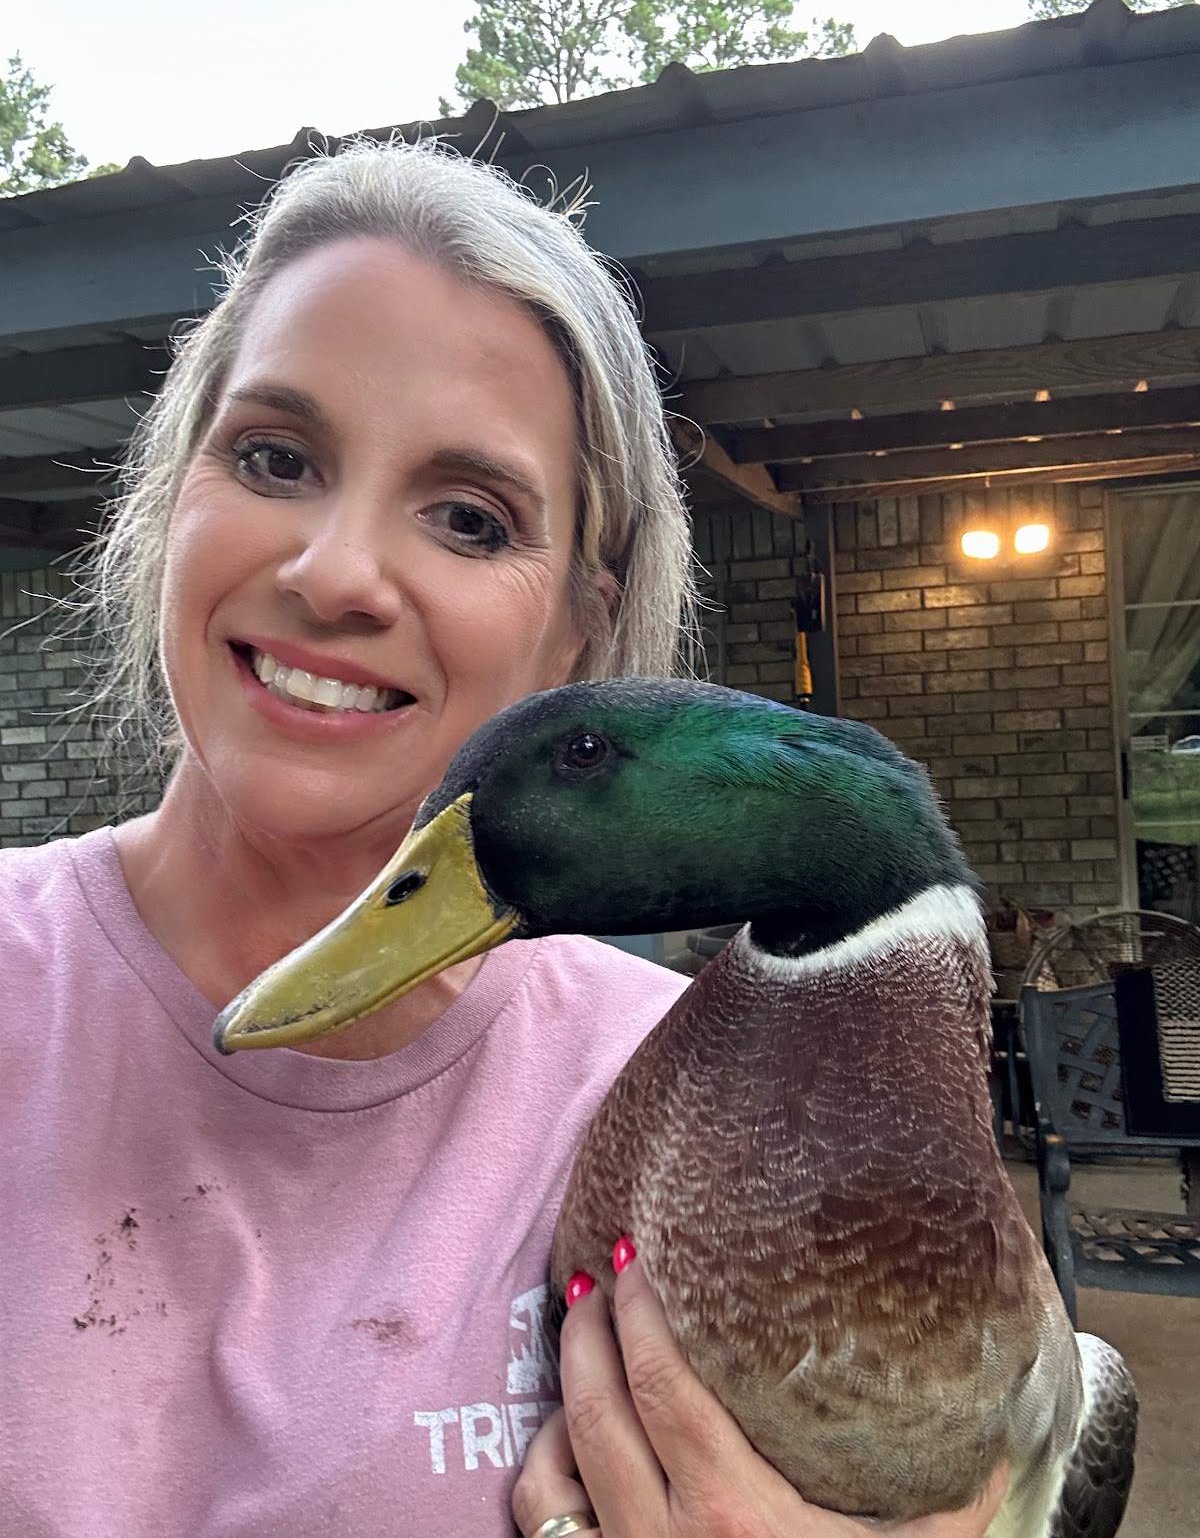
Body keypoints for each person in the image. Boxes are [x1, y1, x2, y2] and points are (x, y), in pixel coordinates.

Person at [0, 140, 1005, 1538]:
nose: (338, 574)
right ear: (176, 502)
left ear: (579, 632)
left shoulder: (713, 1096)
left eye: (469, 519)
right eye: (276, 457)